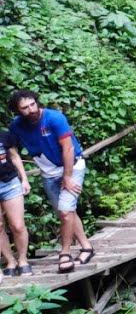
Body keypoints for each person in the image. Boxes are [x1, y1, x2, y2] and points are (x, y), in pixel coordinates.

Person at [8, 91, 92, 275]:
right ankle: (86, 247)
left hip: (72, 166)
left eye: (32, 104)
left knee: (65, 211)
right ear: (17, 111)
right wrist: (21, 175)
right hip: (48, 173)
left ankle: (65, 253)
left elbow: (68, 148)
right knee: (66, 212)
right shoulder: (16, 126)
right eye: (25, 108)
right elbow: (12, 149)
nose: (31, 109)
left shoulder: (54, 118)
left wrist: (67, 177)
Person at [0, 128, 31, 277]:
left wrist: (24, 179)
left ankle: (23, 260)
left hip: (10, 183)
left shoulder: (4, 135)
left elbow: (14, 156)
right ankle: (10, 262)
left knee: (18, 225)